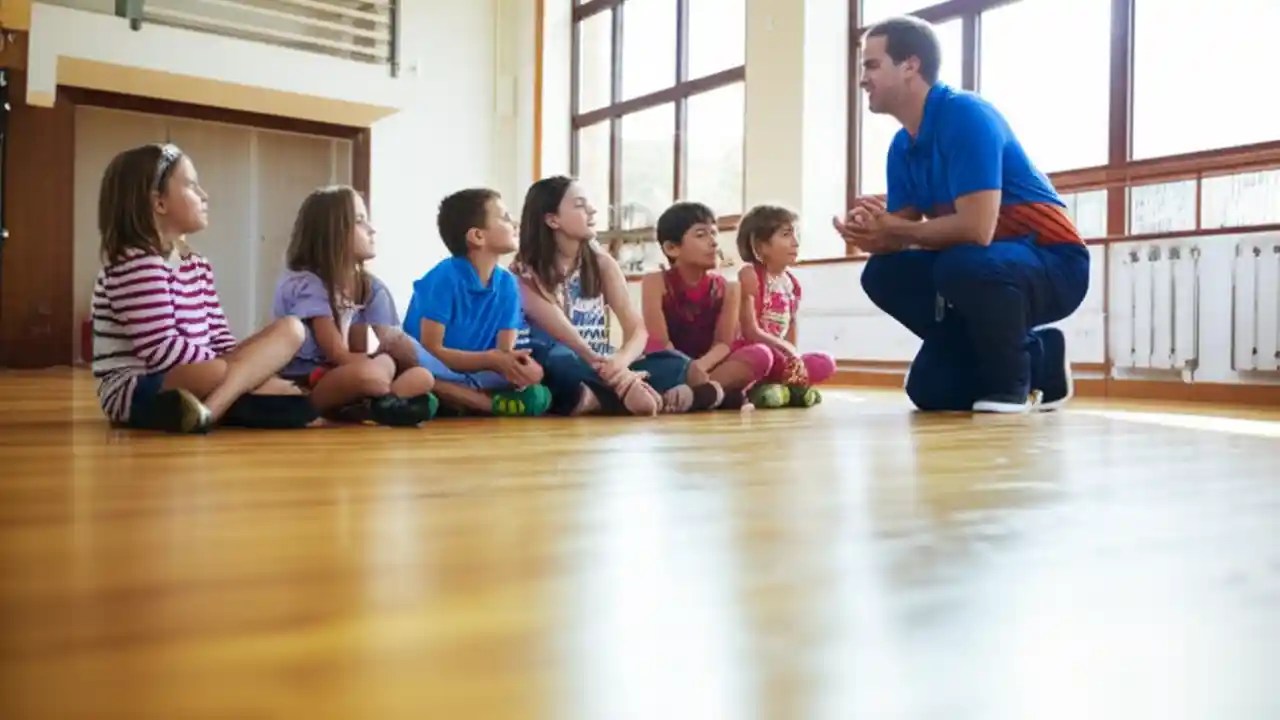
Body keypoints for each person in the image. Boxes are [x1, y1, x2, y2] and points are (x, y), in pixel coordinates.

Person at [835, 15, 1087, 413]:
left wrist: (894, 228)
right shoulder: (903, 145)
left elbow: (976, 229)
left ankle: (1012, 385)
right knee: (888, 285)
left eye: (871, 65)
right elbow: (900, 234)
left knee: (961, 262)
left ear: (910, 66)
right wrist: (868, 234)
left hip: (1054, 264)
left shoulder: (966, 116)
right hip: (979, 265)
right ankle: (1038, 353)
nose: (863, 78)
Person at [91, 143, 317, 433]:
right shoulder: (135, 263)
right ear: (159, 203)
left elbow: (219, 335)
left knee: (291, 329)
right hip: (140, 386)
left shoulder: (196, 265)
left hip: (205, 372)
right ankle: (226, 402)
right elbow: (161, 350)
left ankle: (210, 409)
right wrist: (242, 371)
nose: (204, 195)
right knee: (231, 375)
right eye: (192, 186)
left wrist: (241, 366)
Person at [513, 176, 723, 416]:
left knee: (675, 362)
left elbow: (636, 329)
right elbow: (561, 331)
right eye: (580, 205)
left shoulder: (602, 264)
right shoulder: (522, 272)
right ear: (552, 219)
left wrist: (622, 362)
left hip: (603, 365)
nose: (592, 210)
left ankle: (597, 399)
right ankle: (637, 394)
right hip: (566, 361)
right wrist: (616, 374)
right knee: (557, 361)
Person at [272, 185, 439, 427]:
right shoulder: (307, 284)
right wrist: (376, 364)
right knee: (370, 375)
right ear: (333, 233)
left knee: (421, 376)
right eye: (360, 221)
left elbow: (381, 344)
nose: (372, 230)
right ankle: (381, 402)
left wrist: (394, 355)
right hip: (309, 381)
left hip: (350, 370)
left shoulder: (371, 288)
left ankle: (373, 406)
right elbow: (337, 353)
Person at [401, 188, 552, 416]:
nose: (514, 224)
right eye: (504, 217)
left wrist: (514, 365)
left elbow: (504, 352)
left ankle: (452, 399)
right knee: (400, 349)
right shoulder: (444, 277)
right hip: (435, 365)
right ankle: (486, 404)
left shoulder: (508, 284)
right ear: (477, 236)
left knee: (535, 376)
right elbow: (432, 349)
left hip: (478, 371)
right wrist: (492, 359)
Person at [641, 201, 770, 406]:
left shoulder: (730, 288)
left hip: (709, 366)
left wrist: (698, 367)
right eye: (701, 235)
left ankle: (693, 395)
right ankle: (712, 394)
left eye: (714, 234)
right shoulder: (654, 282)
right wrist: (686, 369)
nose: (714, 242)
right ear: (671, 248)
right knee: (644, 364)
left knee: (761, 355)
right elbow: (660, 343)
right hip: (669, 365)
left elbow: (723, 344)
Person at [735, 205, 835, 408]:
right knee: (763, 356)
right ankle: (763, 387)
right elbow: (749, 331)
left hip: (781, 353)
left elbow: (791, 326)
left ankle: (783, 386)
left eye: (796, 235)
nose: (795, 242)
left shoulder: (792, 284)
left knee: (824, 362)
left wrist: (794, 358)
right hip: (755, 350)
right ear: (761, 245)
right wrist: (786, 350)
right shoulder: (750, 275)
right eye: (786, 235)